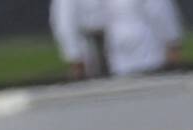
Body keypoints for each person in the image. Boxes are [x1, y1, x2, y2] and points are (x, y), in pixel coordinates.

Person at [50, 0, 182, 80]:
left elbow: (159, 10)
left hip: (141, 51)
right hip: (102, 52)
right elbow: (65, 23)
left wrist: (75, 57)